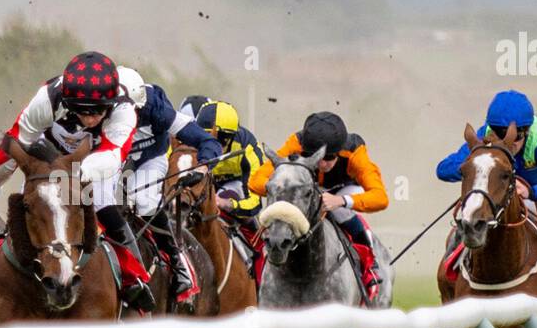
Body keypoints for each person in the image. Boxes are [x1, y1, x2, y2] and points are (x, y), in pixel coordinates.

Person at [0, 51, 160, 312]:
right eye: (82, 111)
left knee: (101, 202)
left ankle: (133, 278)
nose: (91, 118)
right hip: (47, 158)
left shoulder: (124, 110)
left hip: (95, 162)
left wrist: (70, 178)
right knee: (35, 205)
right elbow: (11, 147)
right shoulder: (46, 100)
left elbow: (112, 156)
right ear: (68, 101)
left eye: (98, 111)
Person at [435, 89, 537, 279]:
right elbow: (443, 169)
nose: (506, 141)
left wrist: (531, 192)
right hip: (494, 192)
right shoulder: (484, 135)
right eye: (498, 133)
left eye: (514, 136)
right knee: (466, 218)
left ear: (526, 131)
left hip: (529, 193)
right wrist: (476, 168)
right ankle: (450, 270)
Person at [249, 110, 389, 291]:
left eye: (329, 157)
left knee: (341, 211)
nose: (322, 164)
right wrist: (283, 189)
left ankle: (369, 265)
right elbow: (256, 181)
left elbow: (380, 197)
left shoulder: (355, 152)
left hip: (343, 190)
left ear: (339, 151)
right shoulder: (295, 143)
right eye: (315, 156)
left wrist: (341, 200)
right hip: (306, 191)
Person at [118, 67, 220, 304]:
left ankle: (178, 264)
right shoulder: (98, 109)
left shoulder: (157, 109)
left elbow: (204, 139)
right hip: (113, 156)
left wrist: (204, 165)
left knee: (144, 203)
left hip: (149, 157)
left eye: (132, 111)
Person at [196, 100, 267, 223]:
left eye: (213, 138)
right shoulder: (188, 140)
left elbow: (255, 204)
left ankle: (258, 238)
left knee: (229, 193)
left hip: (237, 186)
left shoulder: (249, 150)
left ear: (228, 137)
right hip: (205, 184)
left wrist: (228, 204)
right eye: (203, 136)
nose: (208, 145)